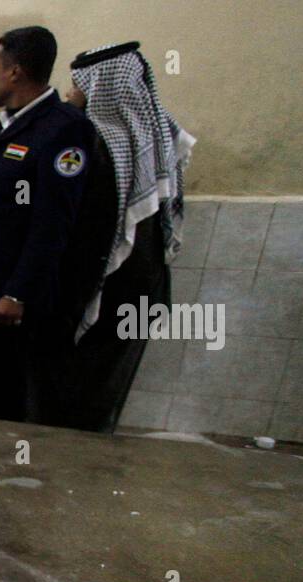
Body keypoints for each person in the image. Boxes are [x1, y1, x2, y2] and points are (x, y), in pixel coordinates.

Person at [0, 26, 95, 423]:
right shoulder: (5, 125)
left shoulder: (63, 129)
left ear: (15, 73)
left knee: (2, 398)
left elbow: (53, 222)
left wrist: (18, 293)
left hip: (8, 299)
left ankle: (4, 474)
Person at [46, 41, 196, 432]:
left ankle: (70, 462)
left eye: (77, 84)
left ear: (100, 86)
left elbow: (86, 231)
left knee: (81, 388)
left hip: (110, 291)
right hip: (146, 289)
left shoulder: (99, 143)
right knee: (108, 385)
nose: (69, 93)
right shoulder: (158, 135)